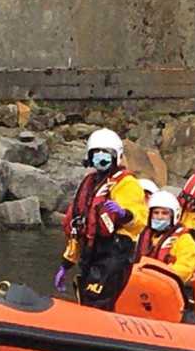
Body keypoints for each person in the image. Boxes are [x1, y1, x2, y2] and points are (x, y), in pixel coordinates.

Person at [55, 128, 147, 309]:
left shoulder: (126, 183)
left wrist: (124, 215)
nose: (100, 157)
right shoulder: (89, 185)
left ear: (116, 156)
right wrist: (66, 264)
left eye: (105, 153)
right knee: (86, 297)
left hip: (114, 251)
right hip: (91, 252)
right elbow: (77, 227)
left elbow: (139, 218)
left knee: (98, 298)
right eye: (96, 153)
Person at [135, 191, 195, 283]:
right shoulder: (142, 235)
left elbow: (186, 268)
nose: (159, 217)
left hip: (167, 286)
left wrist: (159, 276)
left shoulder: (184, 239)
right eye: (156, 213)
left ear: (174, 215)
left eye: (164, 213)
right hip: (141, 283)